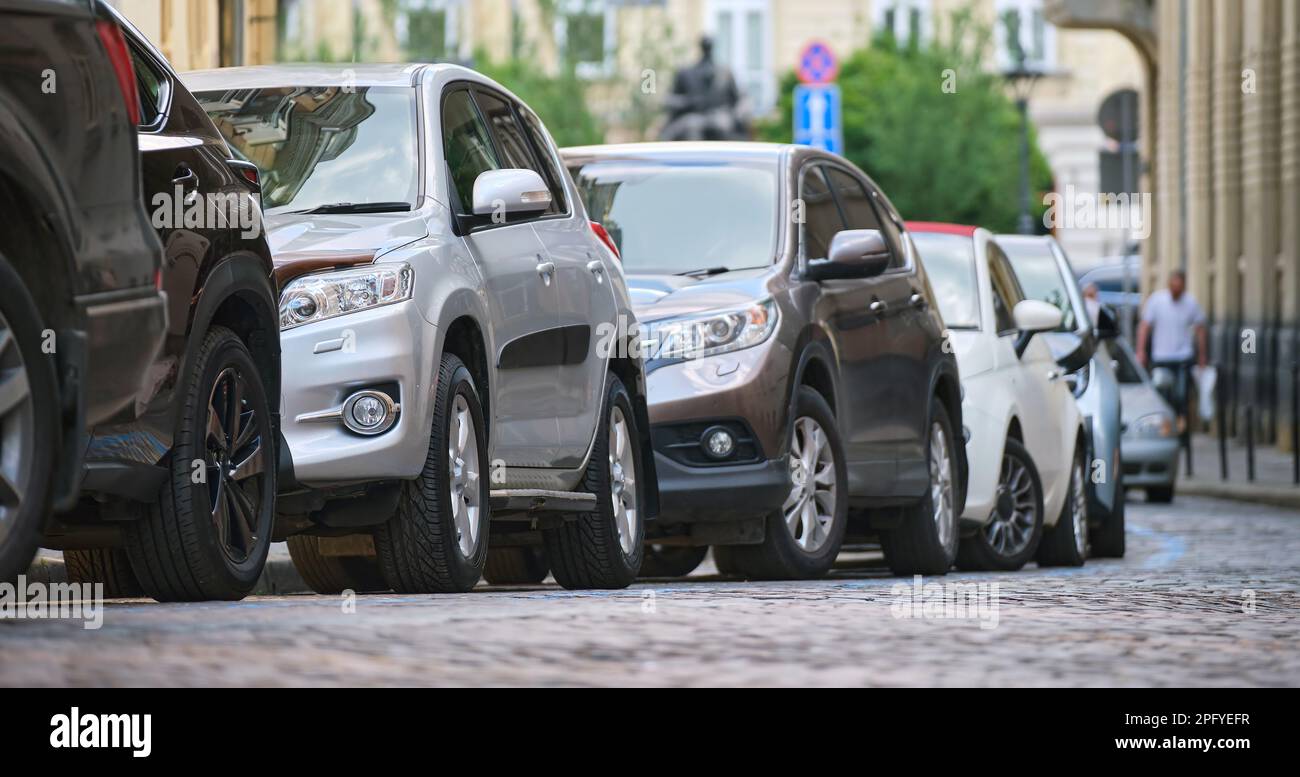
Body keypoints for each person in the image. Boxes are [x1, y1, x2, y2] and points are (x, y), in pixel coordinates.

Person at [1136, 269, 1208, 430]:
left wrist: (1202, 355)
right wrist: (1141, 351)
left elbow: (1200, 329)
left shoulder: (1190, 303)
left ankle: (1181, 426)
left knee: (1181, 394)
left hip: (1183, 356)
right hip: (1161, 356)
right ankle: (1166, 426)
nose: (1176, 290)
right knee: (1162, 394)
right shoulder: (1157, 301)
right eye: (1173, 286)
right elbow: (1144, 326)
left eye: (1179, 287)